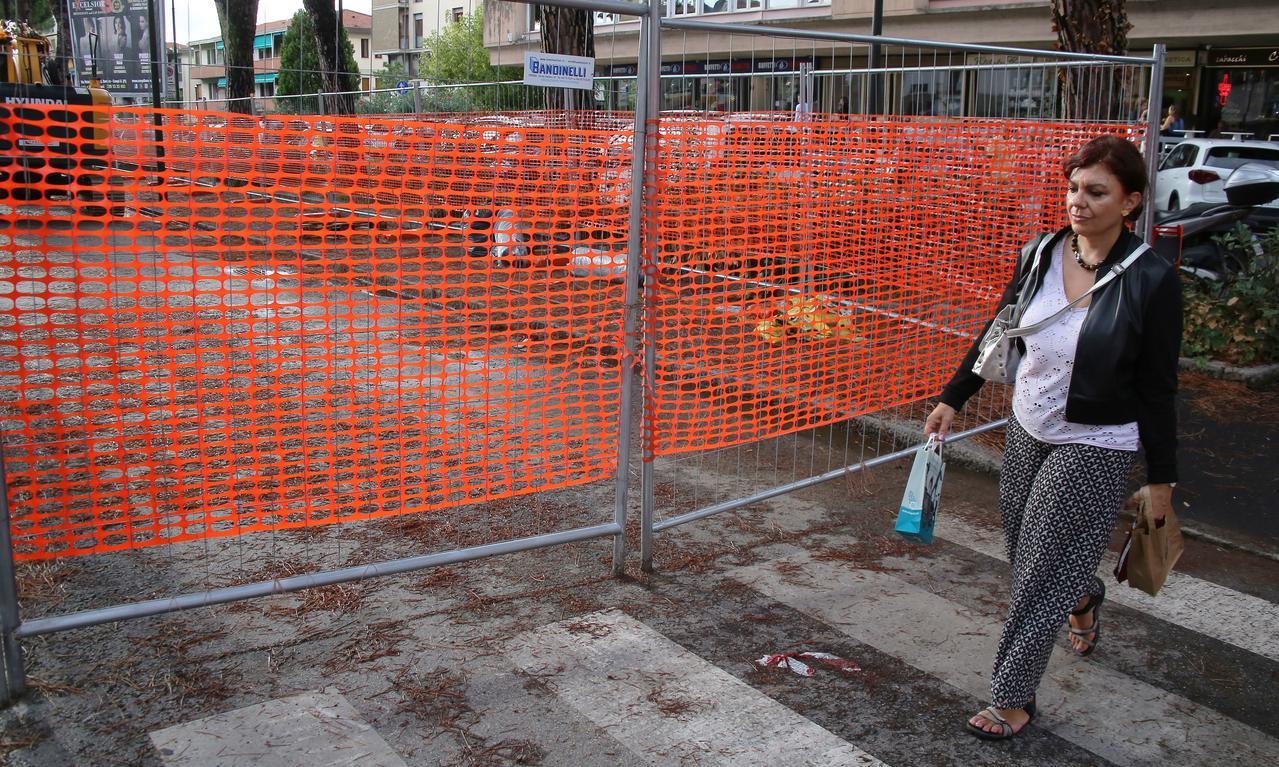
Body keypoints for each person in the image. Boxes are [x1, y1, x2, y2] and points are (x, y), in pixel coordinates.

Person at [924, 135, 1181, 740]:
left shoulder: (1151, 280)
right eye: (1073, 188)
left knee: (1039, 573)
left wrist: (1162, 480)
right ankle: (1083, 593)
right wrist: (952, 397)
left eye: (1096, 192)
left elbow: (1159, 390)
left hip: (1097, 440)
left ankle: (1012, 698)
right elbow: (1000, 327)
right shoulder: (1040, 252)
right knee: (1028, 552)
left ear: (1130, 202)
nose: (1078, 201)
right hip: (1029, 424)